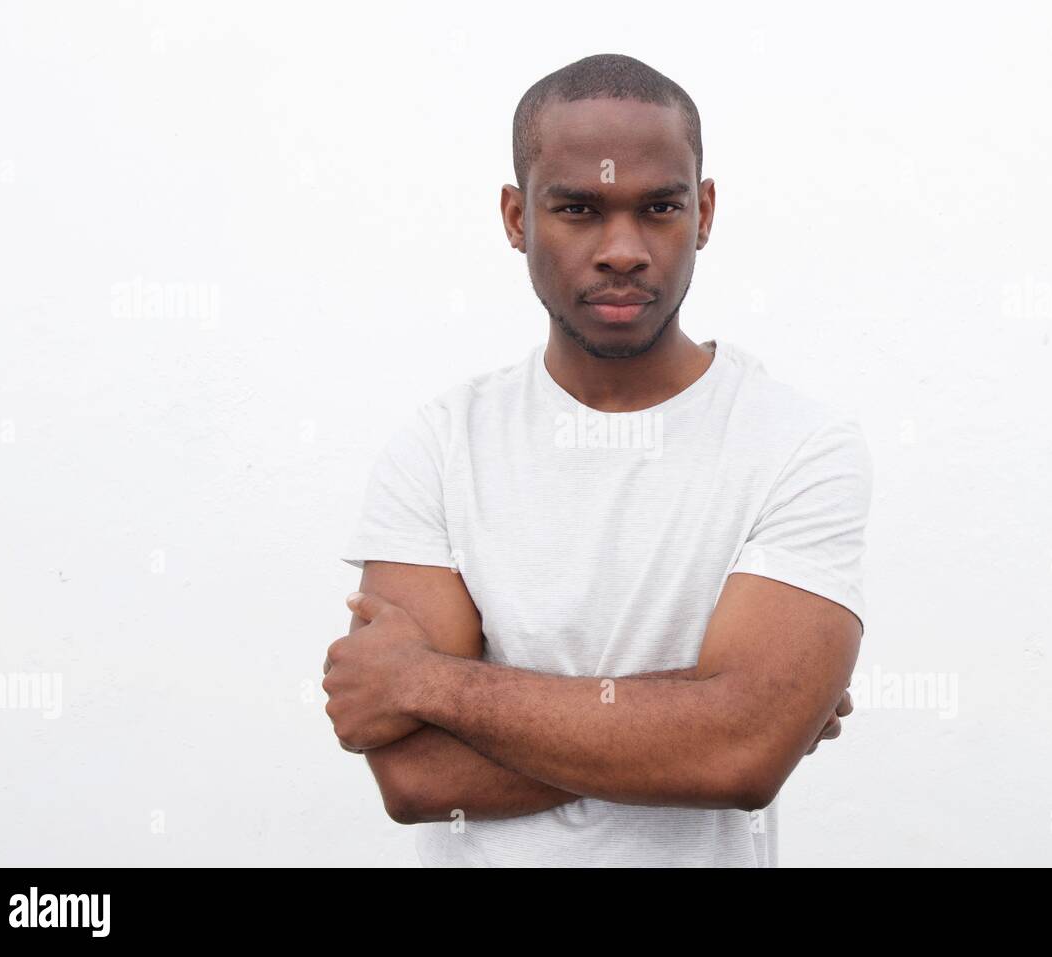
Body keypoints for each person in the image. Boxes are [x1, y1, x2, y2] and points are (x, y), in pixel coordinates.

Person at [323, 53, 873, 867]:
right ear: (517, 218)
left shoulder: (797, 444)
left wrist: (425, 683)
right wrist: (710, 719)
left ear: (706, 212)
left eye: (659, 208)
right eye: (578, 208)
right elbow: (415, 775)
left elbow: (743, 758)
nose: (623, 250)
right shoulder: (438, 448)